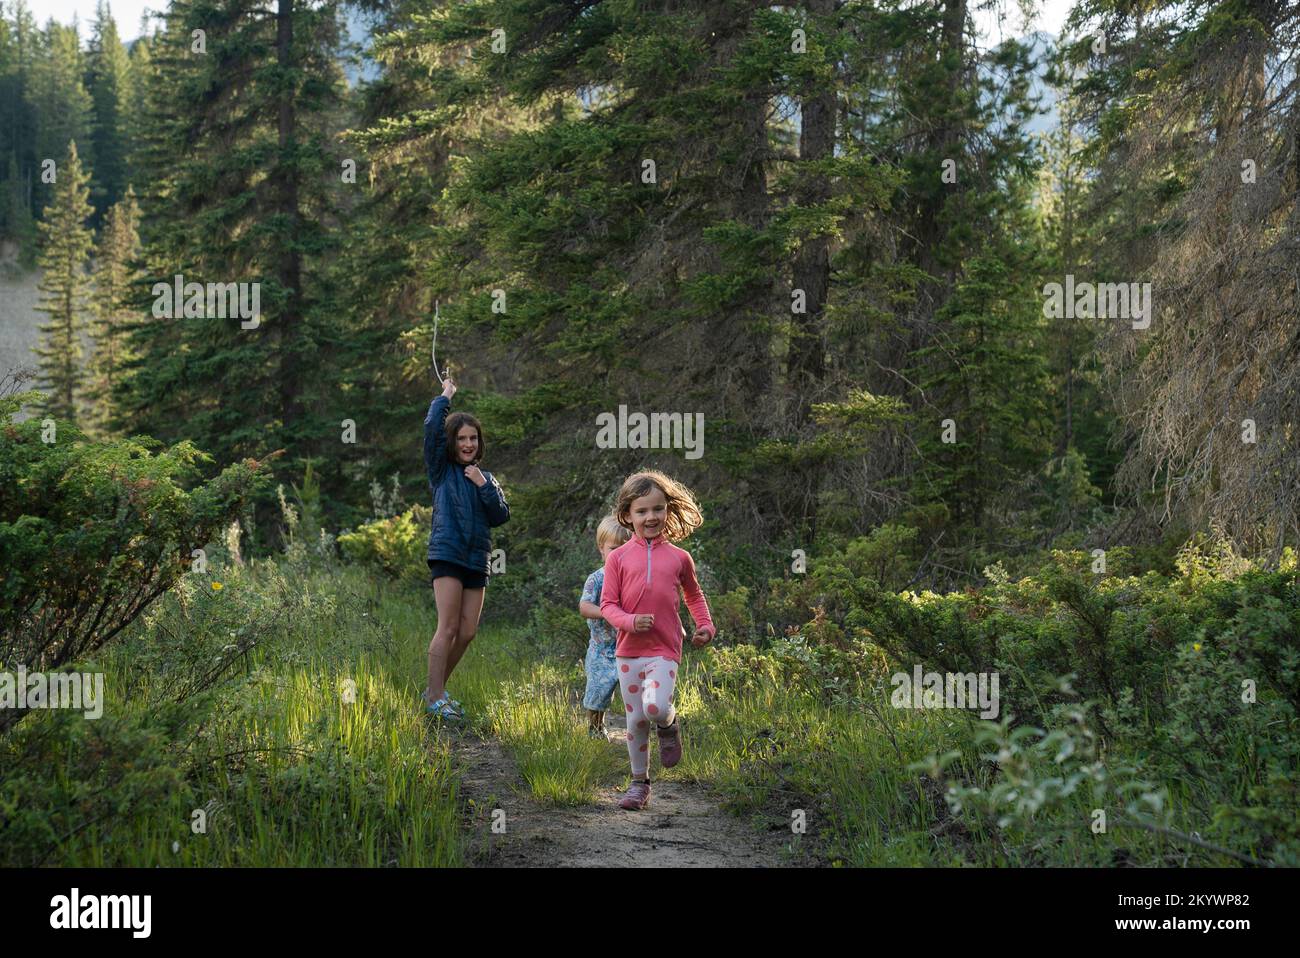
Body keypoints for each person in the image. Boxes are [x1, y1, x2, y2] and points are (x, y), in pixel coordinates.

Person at [599, 470, 716, 810]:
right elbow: (607, 605)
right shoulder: (618, 559)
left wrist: (705, 625)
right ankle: (639, 784)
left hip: (665, 647)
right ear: (627, 516)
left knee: (655, 706)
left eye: (658, 509)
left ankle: (668, 722)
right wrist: (630, 622)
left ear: (667, 510)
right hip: (628, 651)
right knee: (635, 719)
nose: (651, 517)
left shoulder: (679, 557)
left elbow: (694, 595)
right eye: (642, 511)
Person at [421, 375, 510, 720]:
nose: (468, 444)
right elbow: (431, 427)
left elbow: (500, 515)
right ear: (453, 442)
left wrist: (483, 484)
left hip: (477, 559)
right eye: (462, 438)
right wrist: (446, 395)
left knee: (468, 631)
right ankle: (434, 697)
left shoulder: (486, 477)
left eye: (473, 438)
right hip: (447, 554)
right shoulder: (441, 470)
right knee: (448, 627)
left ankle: (435, 691)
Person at [578, 515, 632, 739]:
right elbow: (584, 606)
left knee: (635, 692)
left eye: (625, 549)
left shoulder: (633, 577)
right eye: (613, 549)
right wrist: (606, 612)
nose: (619, 554)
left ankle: (637, 729)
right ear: (601, 549)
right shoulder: (596, 579)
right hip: (602, 650)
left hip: (629, 648)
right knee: (598, 692)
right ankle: (595, 728)